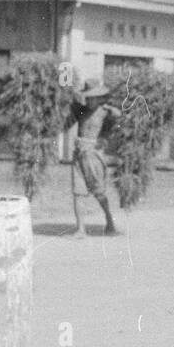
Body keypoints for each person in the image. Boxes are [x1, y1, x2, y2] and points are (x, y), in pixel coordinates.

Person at [68, 80, 122, 236]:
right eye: (88, 98)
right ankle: (80, 229)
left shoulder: (104, 112)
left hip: (93, 156)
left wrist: (111, 108)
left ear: (100, 98)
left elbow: (119, 117)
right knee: (78, 192)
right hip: (78, 155)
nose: (90, 101)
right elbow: (67, 110)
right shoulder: (81, 111)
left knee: (99, 192)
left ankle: (110, 221)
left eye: (94, 98)